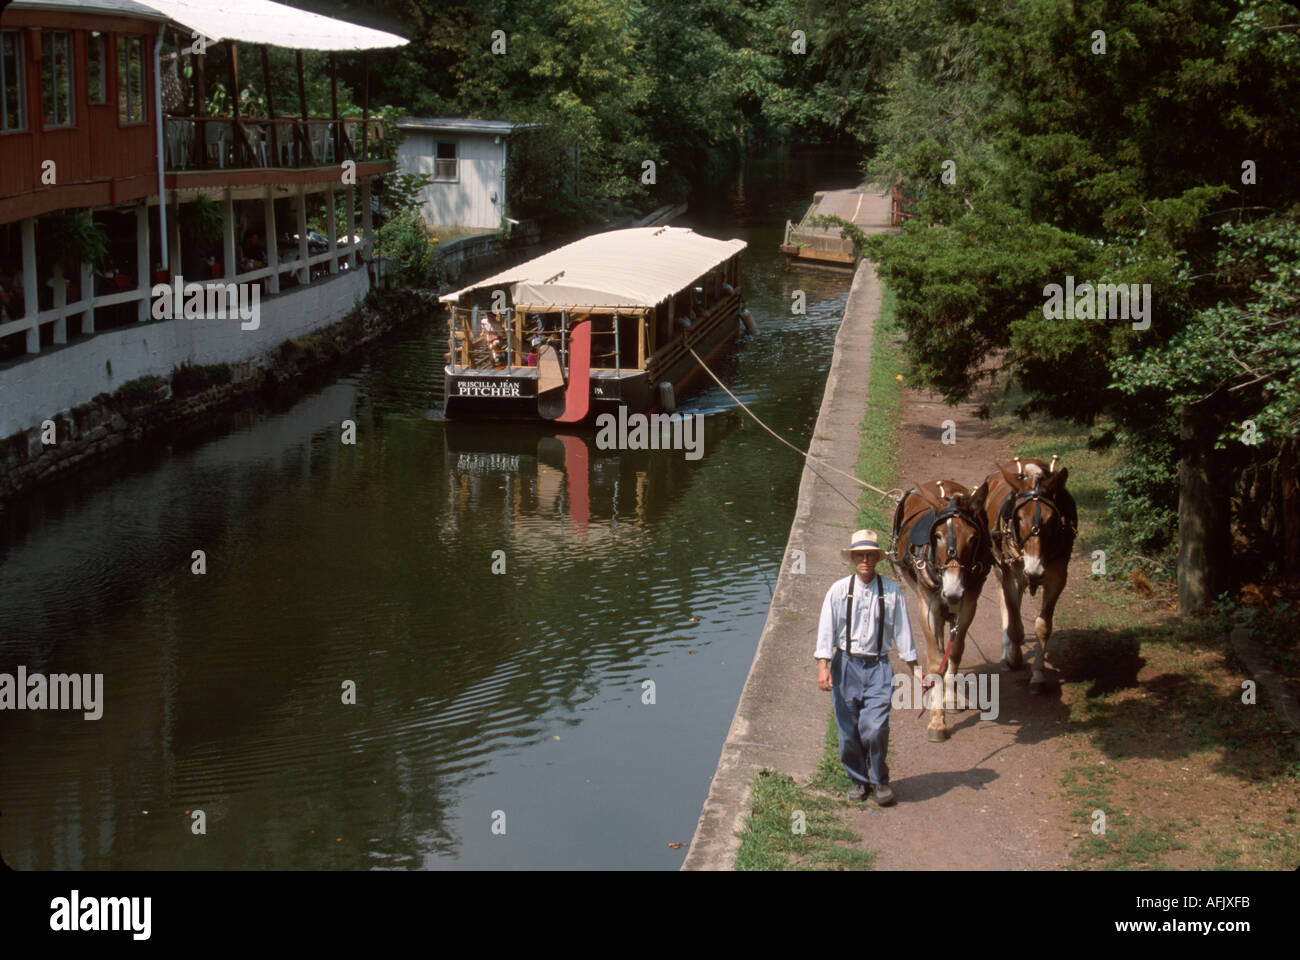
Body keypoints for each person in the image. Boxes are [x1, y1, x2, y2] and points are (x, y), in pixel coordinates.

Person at [815, 529, 922, 806]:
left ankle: (879, 780)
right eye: (860, 555)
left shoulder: (891, 592)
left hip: (879, 667)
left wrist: (917, 672)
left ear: (877, 558)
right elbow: (827, 630)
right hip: (846, 666)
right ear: (853, 558)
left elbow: (903, 634)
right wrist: (823, 665)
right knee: (848, 731)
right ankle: (857, 779)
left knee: (874, 728)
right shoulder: (839, 591)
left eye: (869, 555)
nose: (865, 559)